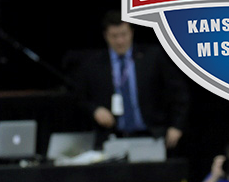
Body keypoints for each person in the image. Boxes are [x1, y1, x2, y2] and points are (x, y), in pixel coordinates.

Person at [72, 11, 189, 150]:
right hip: (111, 136)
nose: (120, 41)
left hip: (151, 134)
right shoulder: (93, 64)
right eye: (114, 36)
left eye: (123, 34)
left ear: (131, 32)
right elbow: (78, 97)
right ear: (105, 36)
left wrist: (176, 126)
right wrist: (95, 110)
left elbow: (179, 92)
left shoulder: (152, 57)